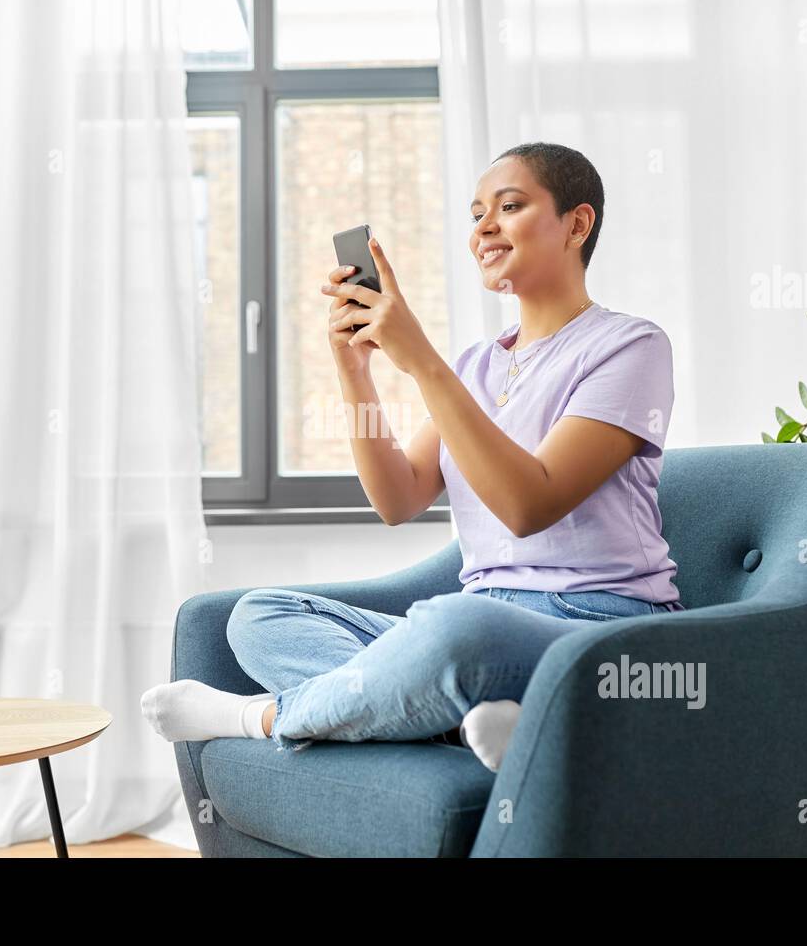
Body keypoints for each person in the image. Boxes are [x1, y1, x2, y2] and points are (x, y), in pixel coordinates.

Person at [142, 141, 683, 771]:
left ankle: (255, 717)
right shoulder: (478, 366)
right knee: (259, 617)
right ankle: (467, 724)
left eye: (509, 206)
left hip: (594, 627)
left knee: (452, 631)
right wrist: (356, 372)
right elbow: (398, 498)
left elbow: (529, 504)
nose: (484, 227)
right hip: (477, 620)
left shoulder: (631, 346)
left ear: (577, 223)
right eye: (476, 212)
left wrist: (421, 360)